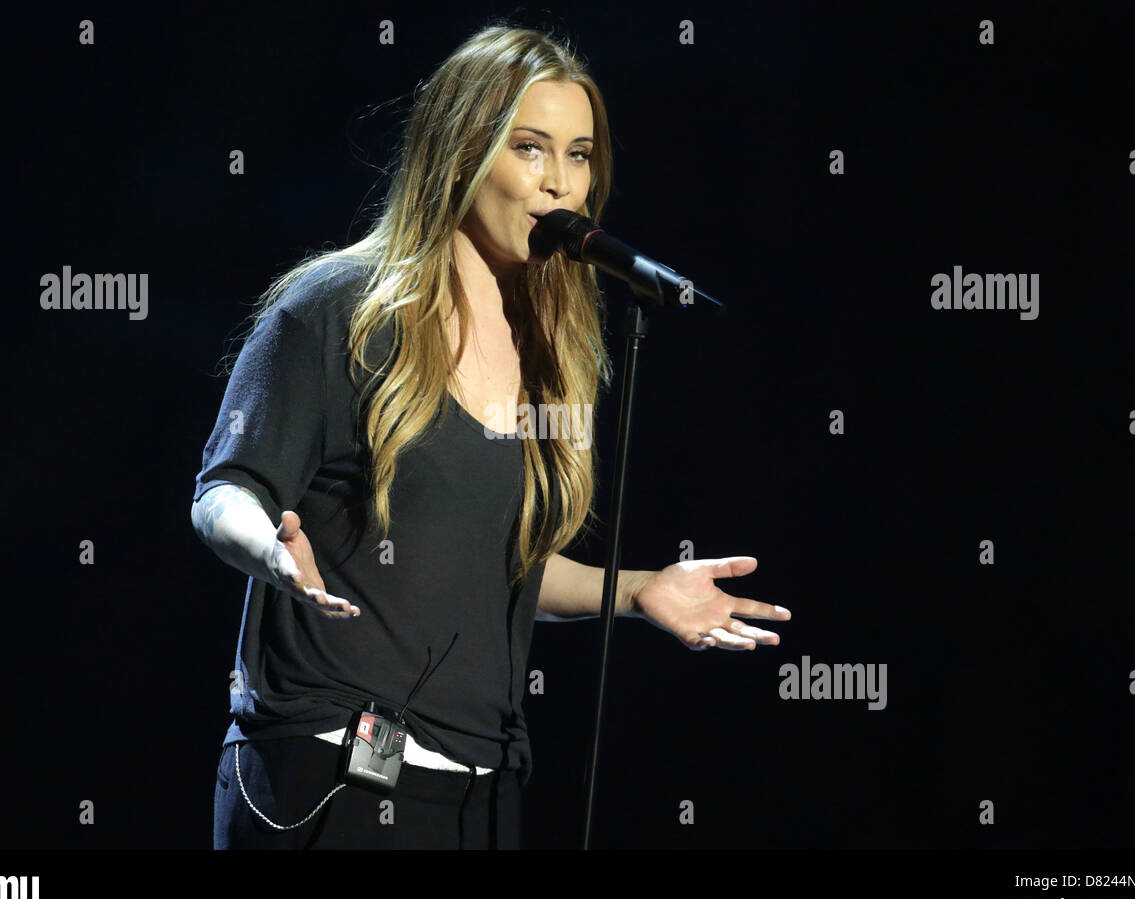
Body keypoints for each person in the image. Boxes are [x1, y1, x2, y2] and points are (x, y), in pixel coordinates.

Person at [192, 23, 792, 850]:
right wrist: (266, 547)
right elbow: (225, 489)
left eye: (579, 155)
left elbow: (499, 564)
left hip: (479, 791)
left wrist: (636, 589)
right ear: (461, 152)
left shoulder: (552, 350)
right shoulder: (337, 309)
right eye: (531, 148)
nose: (559, 183)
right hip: (328, 770)